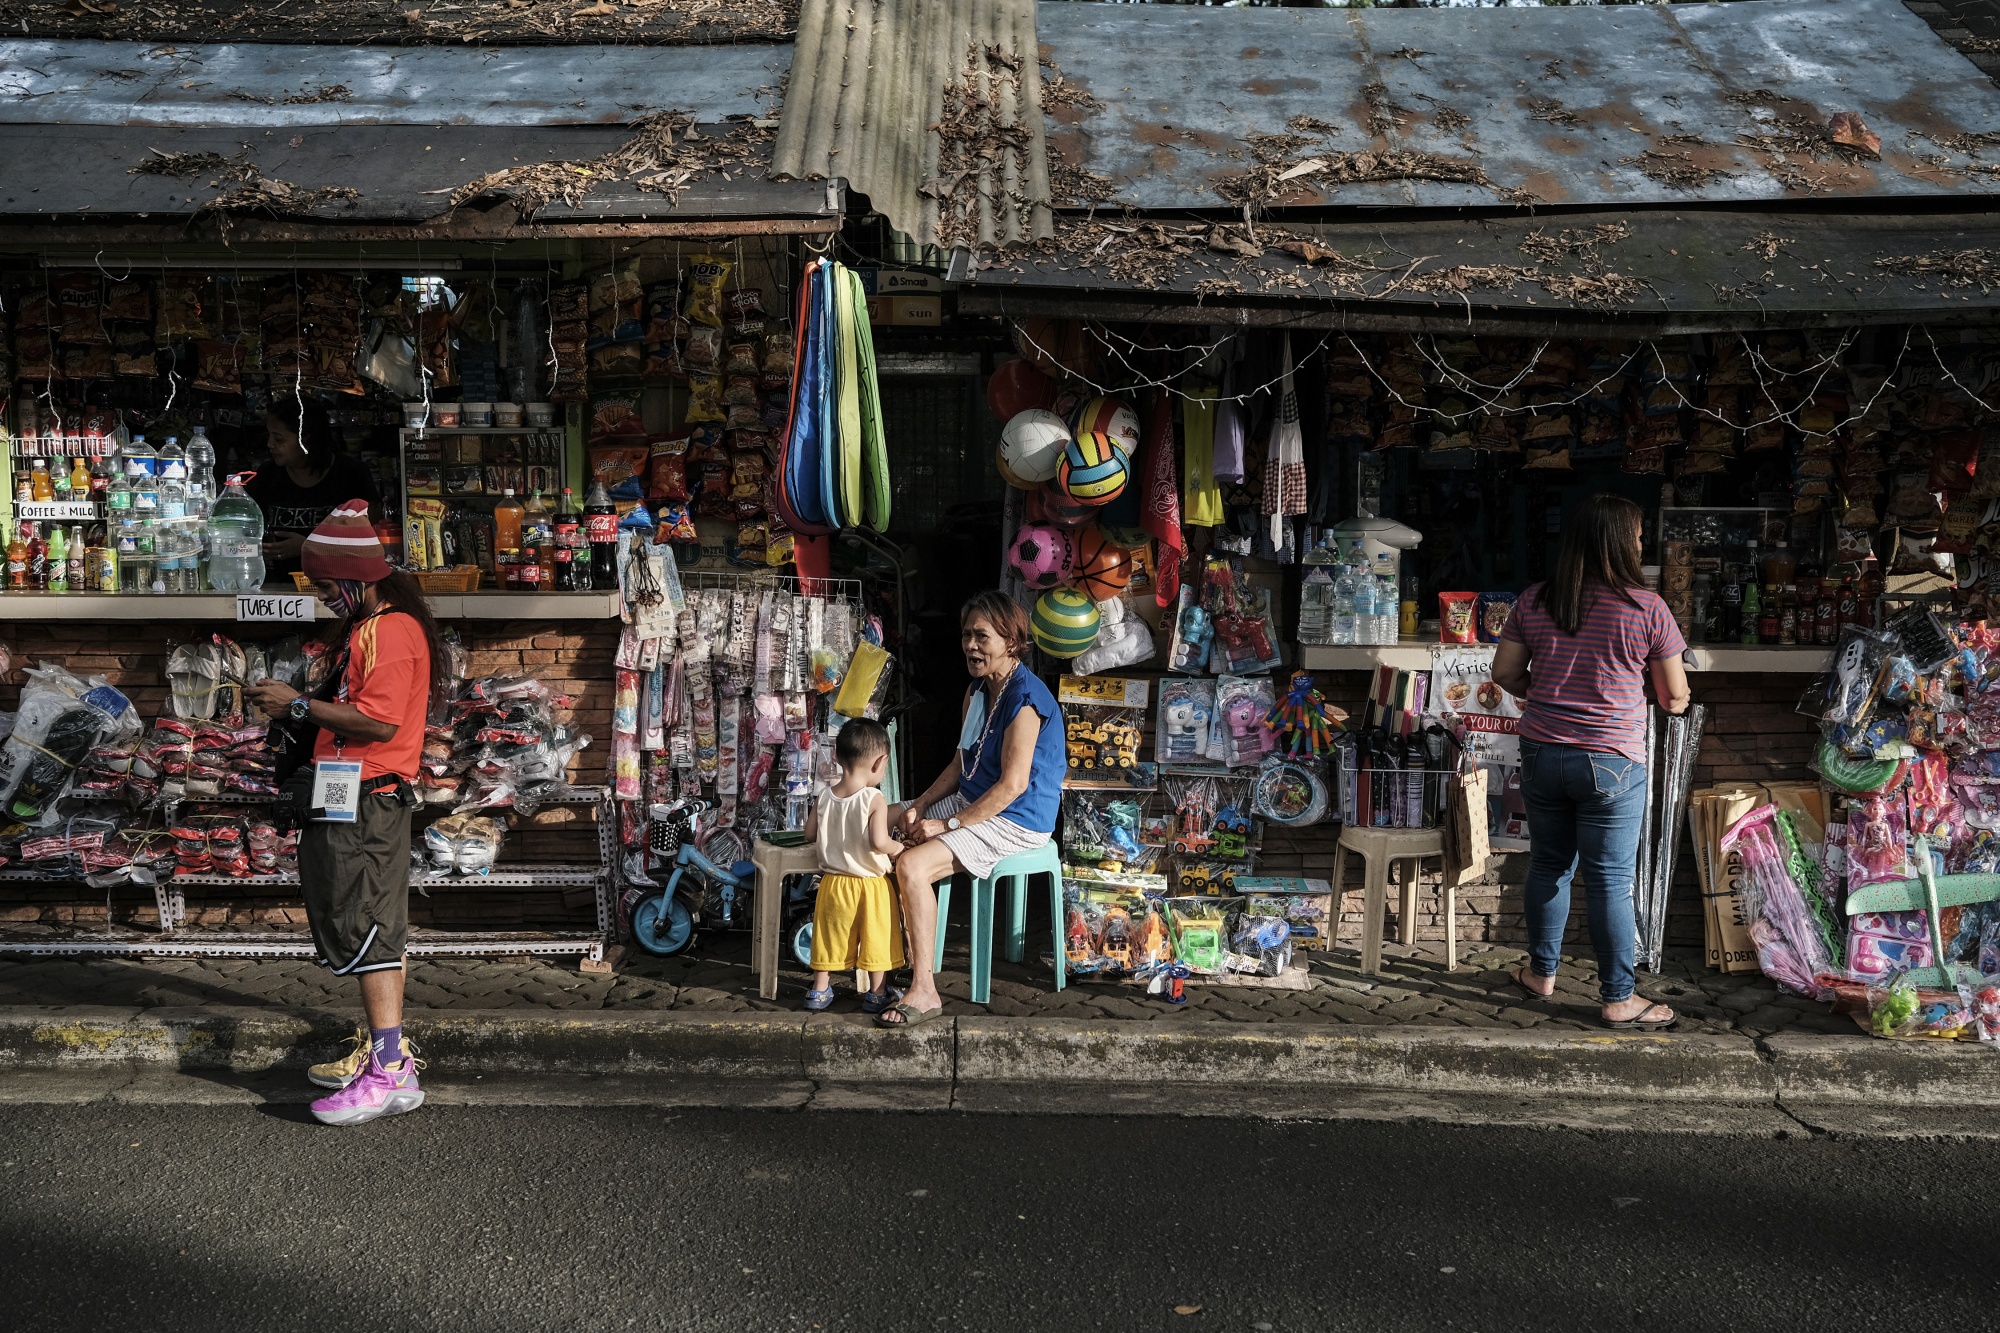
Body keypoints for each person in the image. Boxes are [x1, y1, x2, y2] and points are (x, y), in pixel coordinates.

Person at [244, 500, 450, 1125]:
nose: (323, 596)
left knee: (368, 924)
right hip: (357, 793)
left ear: (356, 577)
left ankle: (388, 1071)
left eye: (326, 585)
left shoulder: (390, 631)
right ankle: (389, 1059)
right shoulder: (375, 627)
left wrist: (297, 705)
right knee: (372, 921)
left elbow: (379, 722)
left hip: (368, 797)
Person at [1492, 493, 1692, 1031]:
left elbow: (1504, 673)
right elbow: (1674, 697)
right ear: (1623, 542)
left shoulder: (1536, 600)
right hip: (1612, 761)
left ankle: (1541, 974)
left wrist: (1547, 693)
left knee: (1548, 865)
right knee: (1609, 881)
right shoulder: (1647, 608)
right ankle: (1618, 999)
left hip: (1542, 753)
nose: (1642, 544)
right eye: (1639, 536)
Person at [885, 592, 1066, 1029]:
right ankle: (890, 955)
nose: (970, 645)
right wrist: (920, 806)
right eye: (967, 635)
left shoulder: (1026, 699)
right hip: (972, 803)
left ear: (1012, 641)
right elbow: (959, 763)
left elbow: (1012, 786)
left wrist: (945, 825)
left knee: (911, 865)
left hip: (1016, 819)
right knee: (878, 819)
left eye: (982, 636)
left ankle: (924, 990)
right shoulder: (978, 690)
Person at [801, 718, 907, 1013]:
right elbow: (879, 842)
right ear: (880, 763)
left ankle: (819, 990)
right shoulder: (874, 798)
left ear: (836, 756)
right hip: (870, 886)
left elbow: (809, 834)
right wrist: (898, 848)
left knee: (829, 936)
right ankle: (877, 994)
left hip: (833, 884)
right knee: (876, 938)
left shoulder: (824, 796)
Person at [246, 398, 381, 574]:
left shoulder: (351, 473)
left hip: (340, 582)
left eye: (279, 439)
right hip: (280, 584)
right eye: (269, 435)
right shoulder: (267, 475)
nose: (270, 444)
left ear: (306, 439)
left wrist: (309, 546)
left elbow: (371, 540)